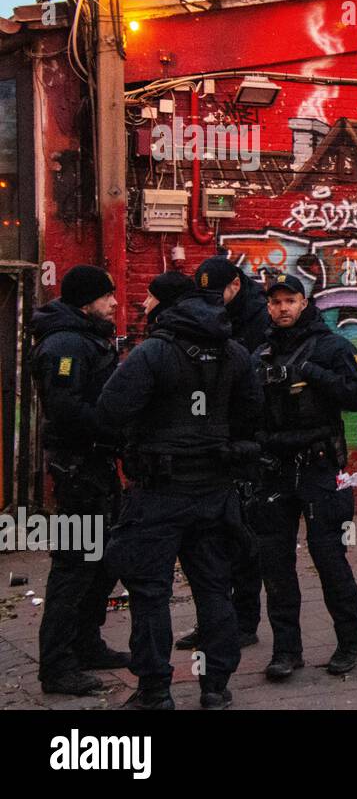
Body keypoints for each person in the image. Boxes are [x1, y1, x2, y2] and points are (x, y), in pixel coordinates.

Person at [99, 282, 262, 709]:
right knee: (214, 588)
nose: (143, 303)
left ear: (170, 307)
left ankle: (155, 690)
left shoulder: (153, 353)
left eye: (151, 297)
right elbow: (252, 416)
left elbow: (110, 410)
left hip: (158, 493)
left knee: (150, 593)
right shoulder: (235, 354)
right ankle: (214, 685)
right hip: (214, 491)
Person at [251, 273, 357, 680]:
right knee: (276, 565)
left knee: (329, 557)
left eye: (290, 300)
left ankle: (350, 640)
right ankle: (286, 651)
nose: (282, 308)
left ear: (304, 303)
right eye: (275, 302)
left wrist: (314, 374)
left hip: (320, 469)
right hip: (275, 472)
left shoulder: (331, 346)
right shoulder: (262, 352)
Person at [31, 265, 129, 697]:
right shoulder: (66, 344)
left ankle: (87, 643)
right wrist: (115, 429)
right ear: (86, 302)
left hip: (97, 467)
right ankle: (57, 666)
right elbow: (67, 408)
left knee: (105, 560)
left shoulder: (85, 337)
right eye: (106, 297)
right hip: (79, 471)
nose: (114, 303)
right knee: (74, 567)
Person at [175, 255, 269, 652]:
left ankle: (243, 623)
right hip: (216, 442)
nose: (213, 301)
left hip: (245, 444)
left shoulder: (258, 321)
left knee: (243, 541)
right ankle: (216, 621)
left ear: (235, 286)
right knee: (212, 549)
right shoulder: (214, 321)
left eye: (219, 293)